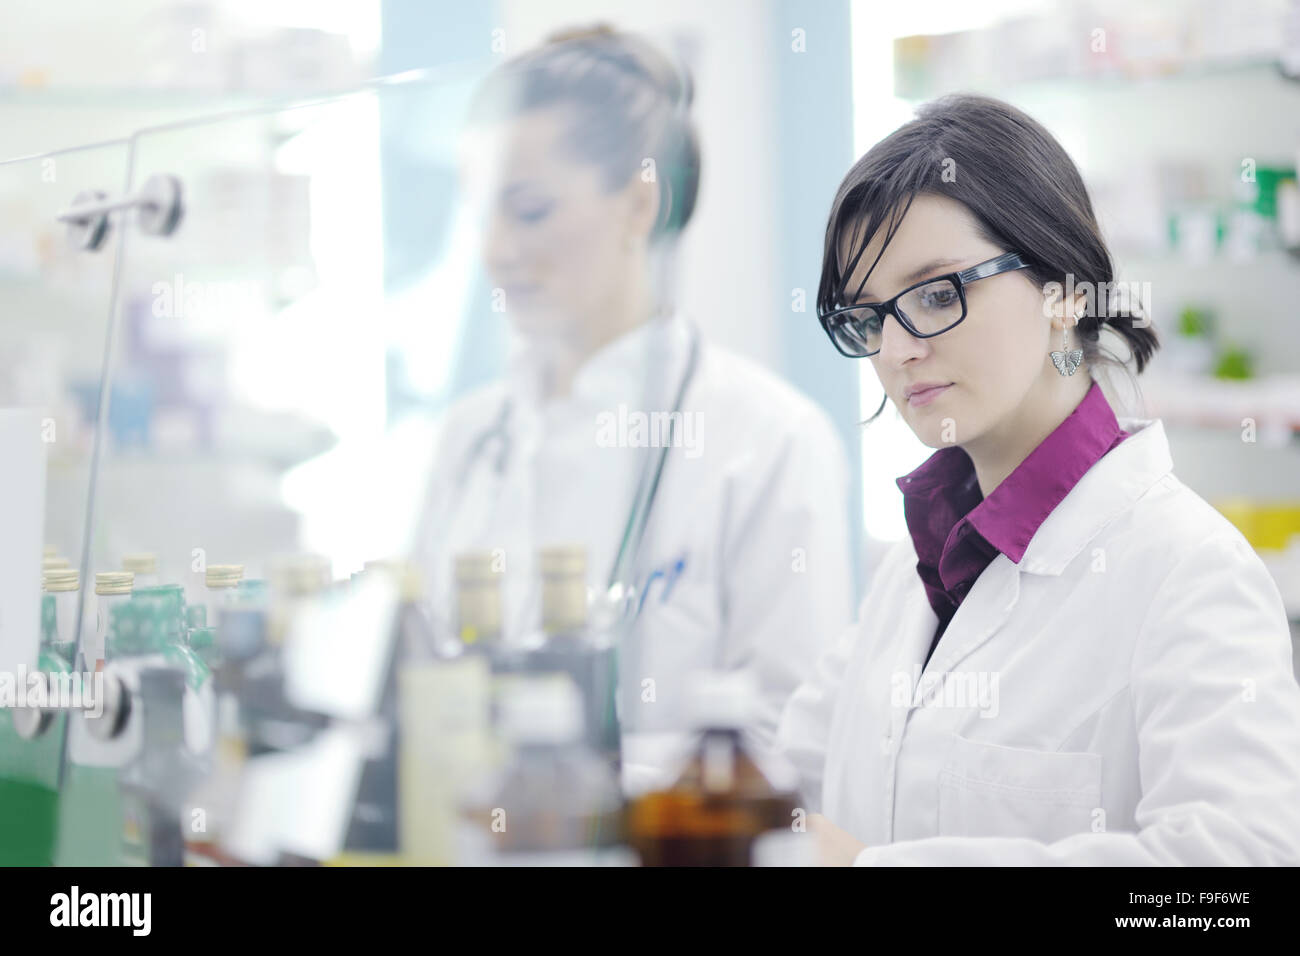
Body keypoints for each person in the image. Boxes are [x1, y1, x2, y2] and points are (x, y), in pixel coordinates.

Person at [779, 93, 1300, 865]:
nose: (896, 349)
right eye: (869, 316)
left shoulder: (1189, 573)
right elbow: (784, 781)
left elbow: (1230, 884)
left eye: (935, 293)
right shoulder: (920, 561)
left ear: (1064, 292)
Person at [415, 26, 853, 760]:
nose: (492, 249)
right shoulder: (469, 437)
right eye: (479, 211)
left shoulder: (768, 439)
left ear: (637, 204)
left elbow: (790, 750)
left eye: (527, 210)